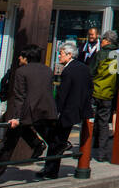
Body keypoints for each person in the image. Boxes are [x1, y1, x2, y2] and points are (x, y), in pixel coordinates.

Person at [0, 44, 57, 185]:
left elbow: (19, 96)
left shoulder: (21, 72)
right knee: (33, 134)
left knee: (8, 145)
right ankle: (38, 144)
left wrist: (16, 117)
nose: (19, 58)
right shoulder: (48, 70)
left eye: (21, 56)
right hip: (45, 111)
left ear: (26, 58)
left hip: (26, 112)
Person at [39, 42, 93, 180]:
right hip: (79, 110)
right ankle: (50, 168)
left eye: (61, 53)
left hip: (67, 112)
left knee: (56, 141)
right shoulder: (84, 68)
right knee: (57, 140)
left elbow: (62, 94)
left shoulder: (68, 71)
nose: (58, 56)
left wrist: (56, 111)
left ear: (69, 55)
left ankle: (50, 171)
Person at [91, 31, 119, 162]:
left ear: (107, 41)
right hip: (108, 94)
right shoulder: (118, 56)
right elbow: (117, 77)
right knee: (103, 123)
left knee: (90, 120)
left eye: (102, 39)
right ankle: (102, 153)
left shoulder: (100, 54)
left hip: (95, 91)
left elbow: (91, 71)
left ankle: (88, 147)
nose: (101, 41)